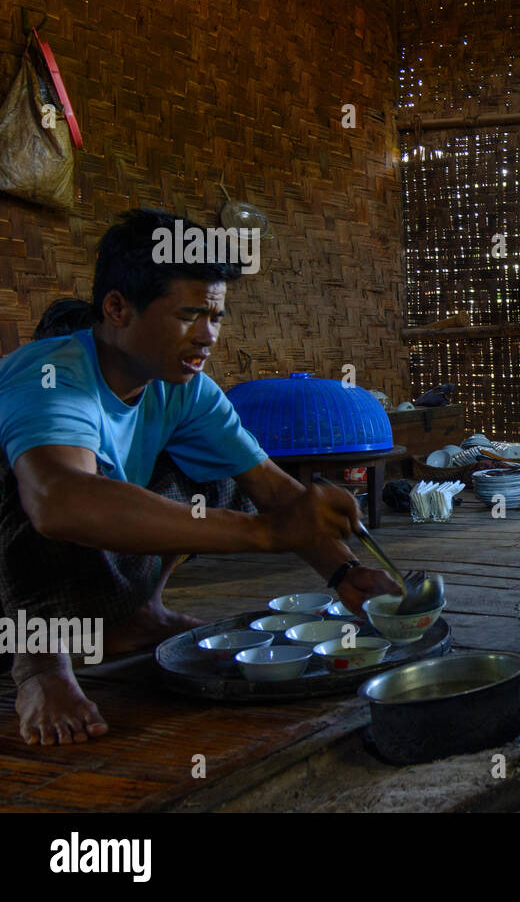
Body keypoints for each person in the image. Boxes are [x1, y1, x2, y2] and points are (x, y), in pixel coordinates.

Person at [0, 209, 399, 746]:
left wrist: (344, 575)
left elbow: (271, 488)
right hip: (13, 585)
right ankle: (41, 668)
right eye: (190, 315)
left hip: (75, 573)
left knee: (220, 477)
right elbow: (58, 504)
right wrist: (265, 535)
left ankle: (140, 614)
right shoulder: (52, 375)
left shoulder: (184, 385)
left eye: (215, 317)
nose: (207, 336)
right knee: (38, 488)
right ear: (117, 307)